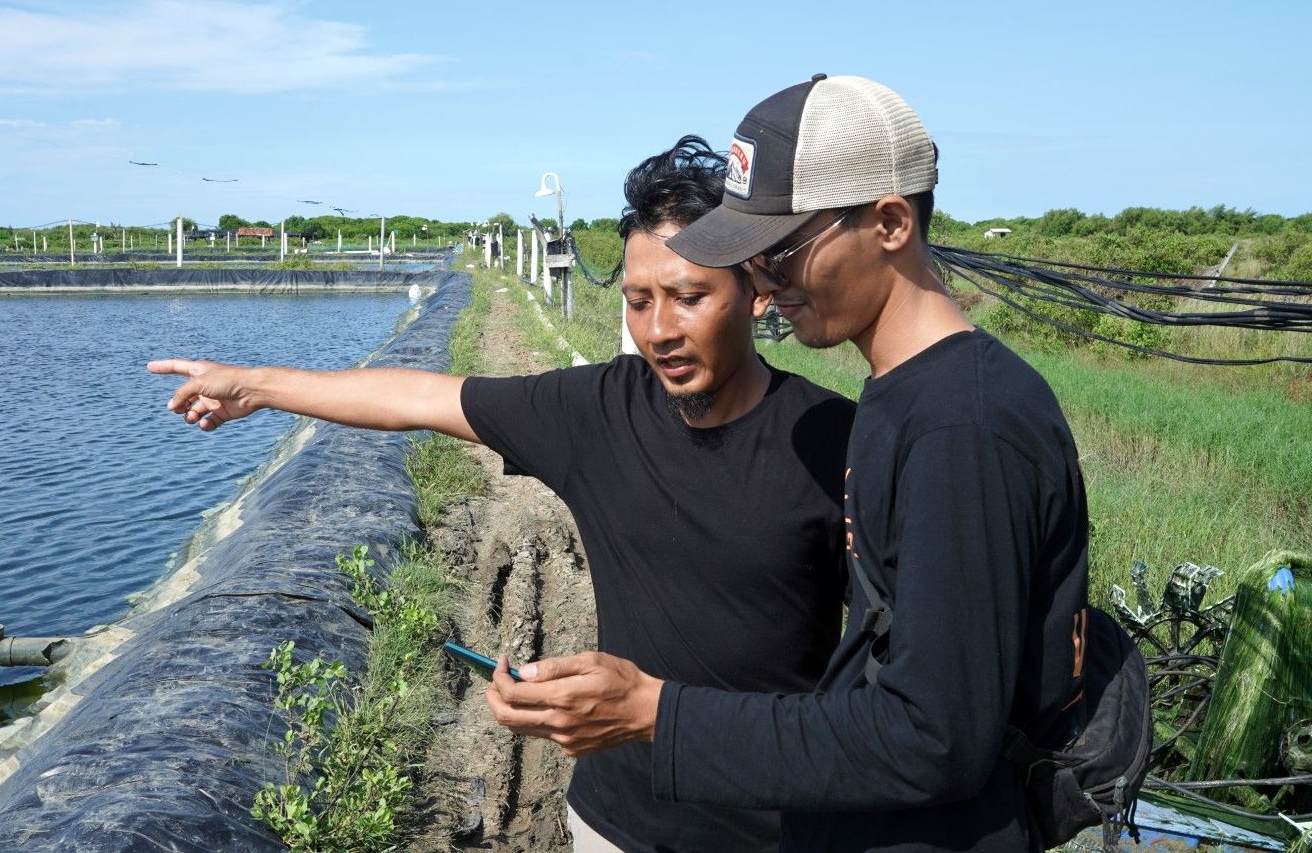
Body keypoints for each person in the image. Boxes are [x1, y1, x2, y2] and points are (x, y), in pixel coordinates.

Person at [149, 135, 856, 853]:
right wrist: (255, 386)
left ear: (755, 290)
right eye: (639, 301)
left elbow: (898, 679)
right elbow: (420, 397)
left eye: (689, 297)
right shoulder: (598, 410)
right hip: (613, 822)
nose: (659, 330)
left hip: (777, 826)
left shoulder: (836, 440)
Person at [484, 76, 1094, 852]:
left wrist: (655, 713)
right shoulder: (900, 399)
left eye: (782, 249)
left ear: (890, 222)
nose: (764, 279)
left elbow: (934, 737)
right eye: (749, 254)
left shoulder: (960, 428)